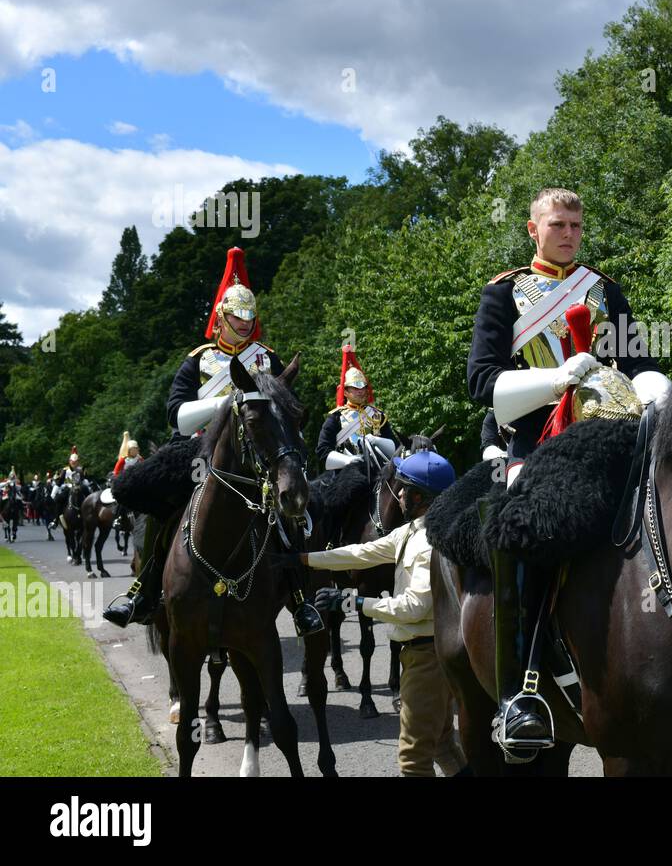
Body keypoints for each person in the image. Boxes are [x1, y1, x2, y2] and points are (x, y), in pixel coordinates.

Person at [466, 187, 670, 756]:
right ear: (533, 229)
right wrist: (556, 380)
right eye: (558, 224)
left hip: (616, 437)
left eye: (577, 225)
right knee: (524, 533)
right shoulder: (503, 294)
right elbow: (481, 381)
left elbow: (639, 363)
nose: (570, 234)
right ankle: (520, 689)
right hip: (538, 443)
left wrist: (660, 391)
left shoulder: (605, 290)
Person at [104, 247, 323, 635]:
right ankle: (144, 588)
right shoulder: (199, 360)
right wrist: (227, 401)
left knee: (293, 516)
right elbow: (177, 416)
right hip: (202, 451)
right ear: (221, 317)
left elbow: (285, 409)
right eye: (237, 317)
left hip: (258, 453)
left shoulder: (268, 359)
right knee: (167, 509)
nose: (244, 324)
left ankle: (301, 598)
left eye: (249, 317)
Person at [286, 450, 467, 776]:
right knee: (443, 746)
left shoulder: (430, 542)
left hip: (426, 660)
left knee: (413, 761)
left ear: (420, 496)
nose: (397, 494)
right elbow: (363, 552)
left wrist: (353, 603)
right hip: (427, 655)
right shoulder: (411, 530)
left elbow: (413, 608)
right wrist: (305, 559)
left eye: (404, 489)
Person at [316, 344, 397, 469]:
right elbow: (323, 451)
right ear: (345, 392)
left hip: (379, 470)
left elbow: (395, 447)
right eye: (355, 388)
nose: (360, 391)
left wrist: (377, 441)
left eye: (363, 387)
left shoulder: (377, 415)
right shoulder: (336, 417)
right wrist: (348, 461)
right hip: (347, 472)